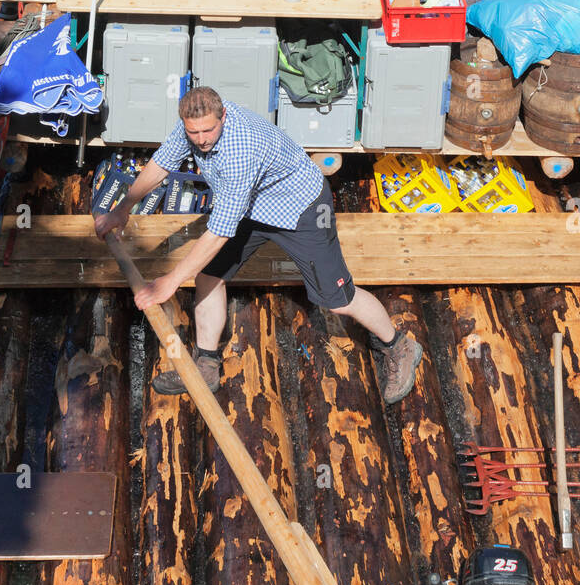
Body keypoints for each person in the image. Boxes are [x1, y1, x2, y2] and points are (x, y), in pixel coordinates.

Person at [94, 86, 423, 403]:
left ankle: (398, 345)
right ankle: (206, 365)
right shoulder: (193, 126)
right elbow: (162, 163)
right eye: (193, 133)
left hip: (301, 209)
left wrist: (170, 281)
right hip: (252, 206)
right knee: (210, 276)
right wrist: (123, 209)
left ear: (223, 115)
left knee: (337, 299)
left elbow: (220, 231)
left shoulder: (242, 148)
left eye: (208, 131)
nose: (201, 140)